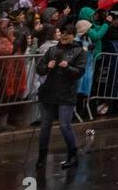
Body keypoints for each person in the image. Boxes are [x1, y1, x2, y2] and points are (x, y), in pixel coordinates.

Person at [35, 23, 87, 169]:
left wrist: (68, 67)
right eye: (62, 33)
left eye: (68, 33)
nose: (64, 36)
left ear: (73, 35)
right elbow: (40, 69)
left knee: (65, 126)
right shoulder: (52, 50)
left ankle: (72, 155)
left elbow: (80, 72)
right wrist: (47, 67)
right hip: (49, 93)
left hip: (66, 94)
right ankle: (42, 158)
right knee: (45, 126)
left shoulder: (79, 51)